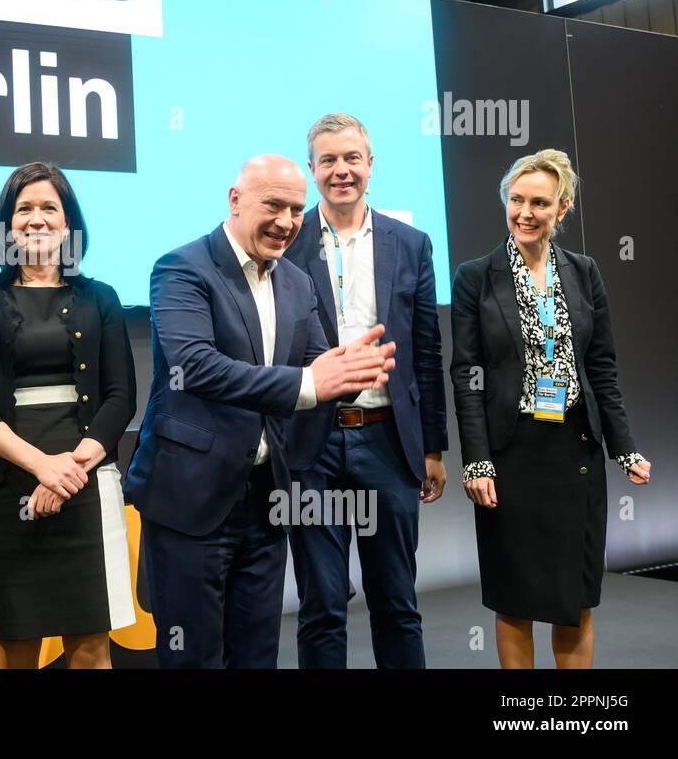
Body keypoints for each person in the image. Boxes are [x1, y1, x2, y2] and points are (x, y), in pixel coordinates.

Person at [125, 154, 397, 669]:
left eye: (297, 210)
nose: (287, 222)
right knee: (193, 658)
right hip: (191, 497)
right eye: (273, 205)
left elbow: (317, 364)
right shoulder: (181, 268)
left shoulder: (296, 280)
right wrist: (310, 382)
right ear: (235, 200)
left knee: (257, 656)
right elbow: (196, 367)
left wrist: (350, 371)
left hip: (267, 499)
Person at [451, 148, 651, 669]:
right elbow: (466, 375)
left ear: (562, 210)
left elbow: (602, 368)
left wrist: (624, 448)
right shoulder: (476, 276)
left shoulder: (585, 273)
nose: (525, 212)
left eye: (540, 202)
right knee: (514, 600)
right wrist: (476, 461)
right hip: (510, 455)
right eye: (516, 199)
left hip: (575, 453)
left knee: (574, 599)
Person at [0, 162, 137, 669]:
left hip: (86, 487)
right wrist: (41, 467)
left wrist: (67, 473)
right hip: (7, 491)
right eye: (23, 209)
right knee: (18, 649)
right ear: (6, 226)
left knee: (91, 650)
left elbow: (121, 398)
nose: (36, 219)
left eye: (48, 208)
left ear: (68, 222)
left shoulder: (101, 298)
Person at [284, 113, 448, 668]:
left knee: (397, 603)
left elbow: (426, 352)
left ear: (370, 165)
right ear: (312, 170)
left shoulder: (412, 244)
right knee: (322, 605)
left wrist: (432, 448)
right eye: (327, 160)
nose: (341, 171)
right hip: (312, 447)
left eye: (351, 158)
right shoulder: (287, 243)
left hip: (388, 444)